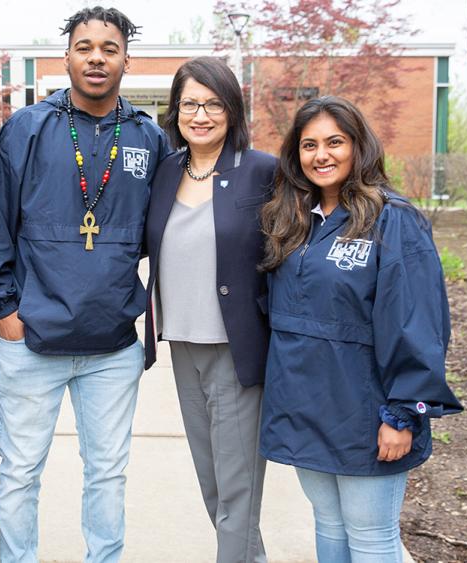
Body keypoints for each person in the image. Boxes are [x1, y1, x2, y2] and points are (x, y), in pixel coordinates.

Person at [0, 7, 168, 563]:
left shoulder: (148, 137)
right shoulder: (27, 128)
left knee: (108, 474)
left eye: (109, 48)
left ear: (126, 60)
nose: (96, 58)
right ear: (67, 57)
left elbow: (163, 230)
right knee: (20, 473)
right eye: (85, 47)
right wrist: (5, 311)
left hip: (113, 347)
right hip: (31, 338)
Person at [258, 96, 463, 563]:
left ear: (358, 146)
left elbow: (418, 322)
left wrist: (403, 413)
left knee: (371, 537)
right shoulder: (290, 220)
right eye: (309, 145)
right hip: (305, 406)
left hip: (367, 410)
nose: (321, 155)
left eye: (335, 142)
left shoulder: (393, 219)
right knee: (329, 525)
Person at [143, 57, 275, 563]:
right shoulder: (166, 171)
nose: (200, 115)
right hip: (182, 344)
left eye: (213, 104)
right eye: (190, 104)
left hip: (236, 349)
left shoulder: (261, 171)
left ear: (232, 110)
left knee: (238, 491)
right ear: (175, 111)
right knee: (215, 487)